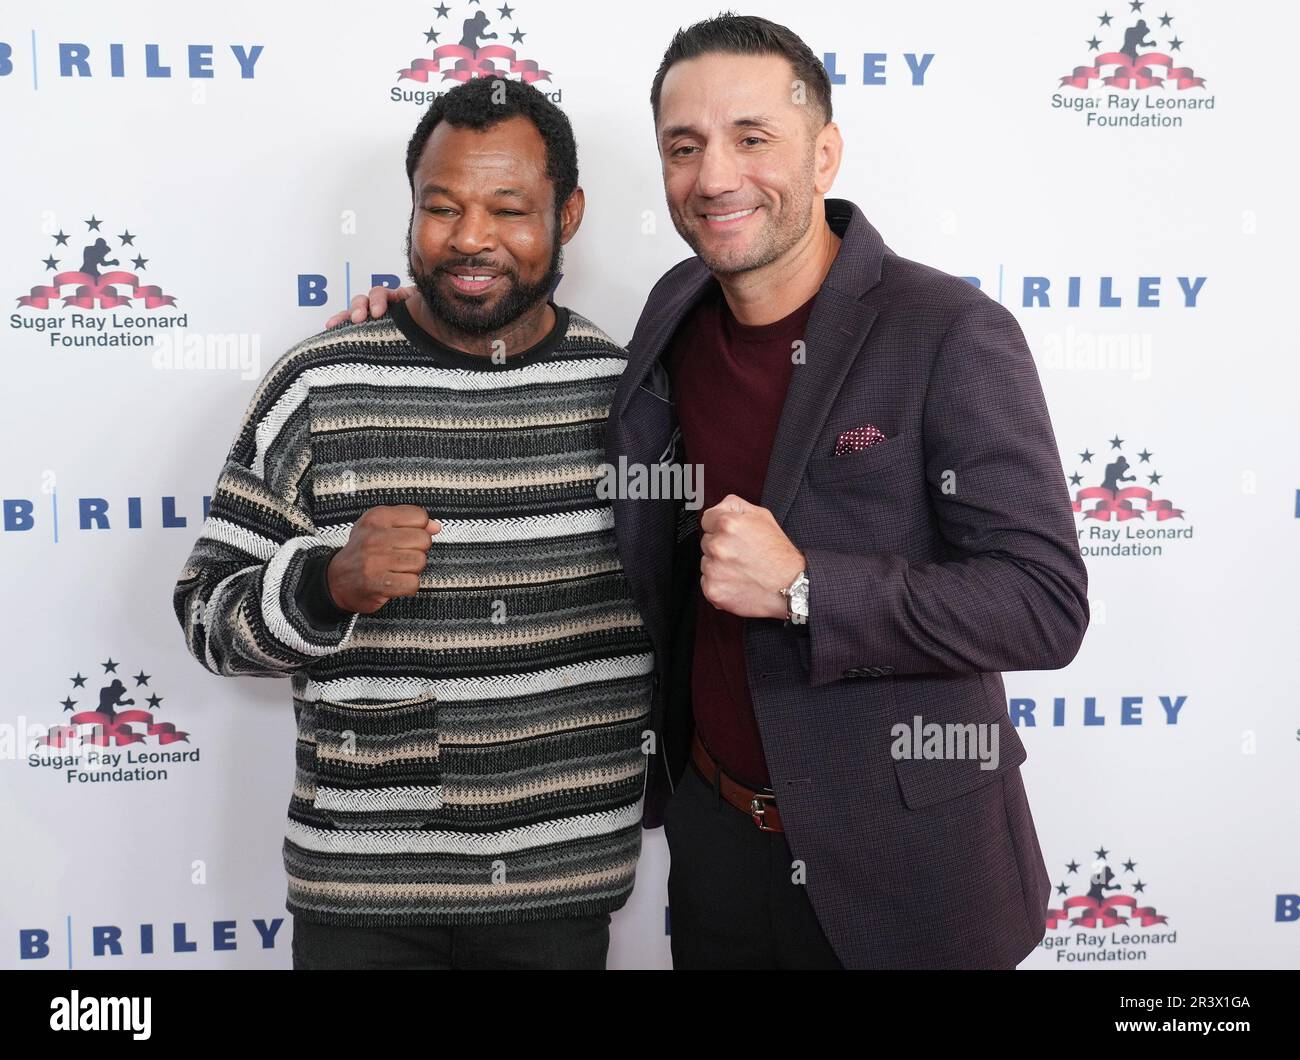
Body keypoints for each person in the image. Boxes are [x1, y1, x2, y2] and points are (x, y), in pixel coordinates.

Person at [330, 14, 1089, 970]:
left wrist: (807, 586)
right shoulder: (674, 313)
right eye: (684, 147)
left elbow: (1045, 605)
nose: (715, 176)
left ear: (825, 154)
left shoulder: (946, 329)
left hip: (905, 870)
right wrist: (426, 309)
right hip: (718, 846)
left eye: (752, 138)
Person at [173, 76, 656, 970]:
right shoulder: (319, 385)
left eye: (509, 208)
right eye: (442, 207)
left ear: (569, 213)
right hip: (364, 897)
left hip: (559, 889)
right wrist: (324, 584)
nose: (470, 238)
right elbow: (205, 618)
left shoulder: (627, 397)